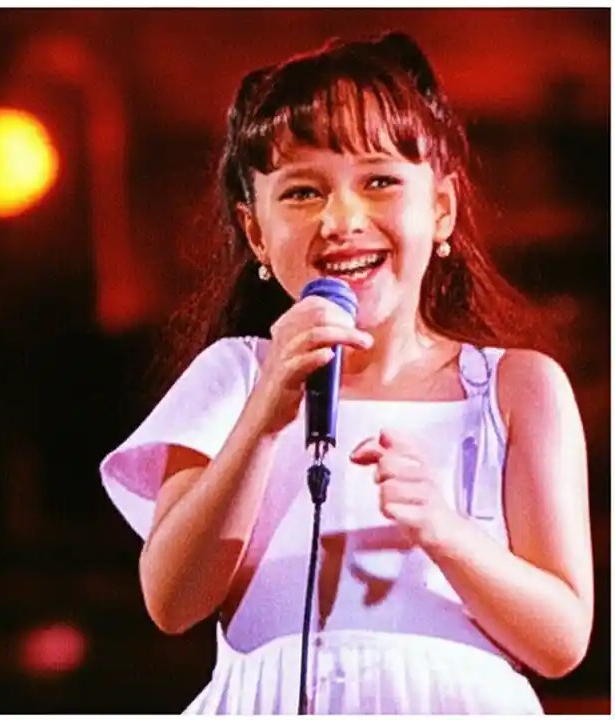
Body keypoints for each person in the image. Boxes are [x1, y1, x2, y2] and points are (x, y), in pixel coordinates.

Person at [100, 31, 592, 714]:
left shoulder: (518, 387)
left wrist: (444, 528)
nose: (342, 219)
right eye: (302, 192)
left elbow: (562, 638)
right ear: (256, 234)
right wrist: (265, 418)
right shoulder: (237, 375)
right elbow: (172, 600)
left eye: (380, 181)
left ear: (441, 209)